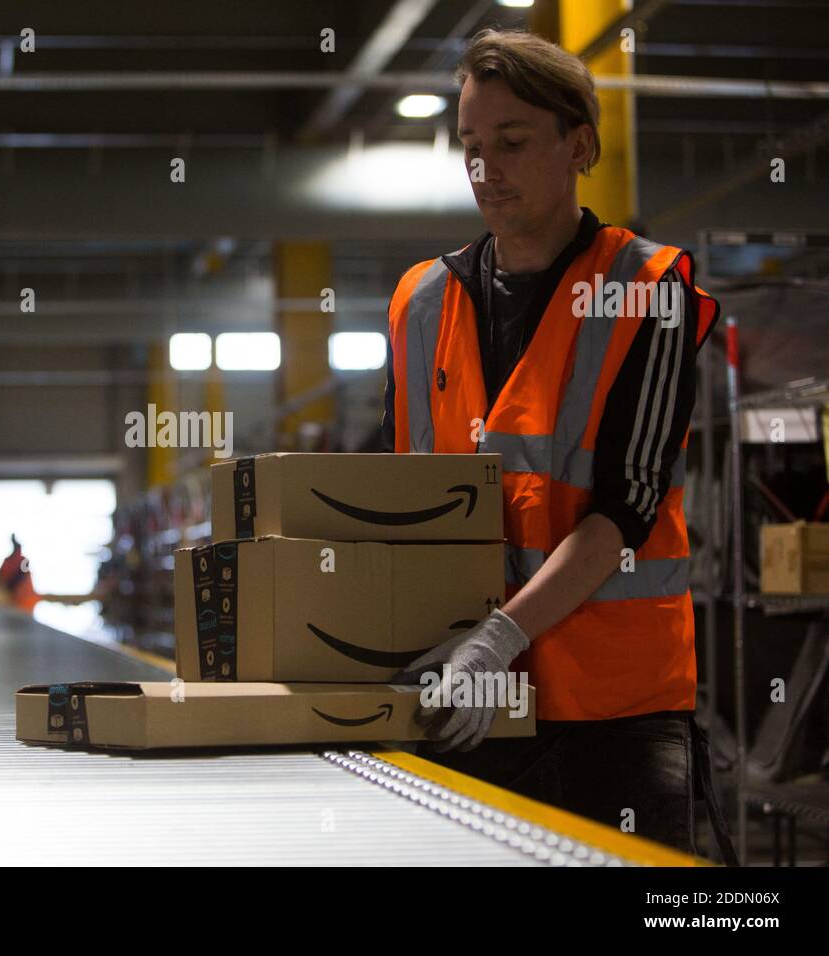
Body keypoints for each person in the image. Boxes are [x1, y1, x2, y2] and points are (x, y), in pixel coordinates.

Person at [383, 28, 732, 861]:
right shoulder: (420, 302)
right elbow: (396, 501)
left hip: (617, 715)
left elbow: (627, 506)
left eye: (510, 143)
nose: (484, 169)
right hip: (466, 703)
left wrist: (498, 637)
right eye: (470, 146)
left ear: (580, 145)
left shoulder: (648, 291)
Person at [0, 534, 39, 613]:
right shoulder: (9, 561)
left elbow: (18, 577)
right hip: (17, 601)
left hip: (25, 602)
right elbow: (1, 577)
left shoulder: (23, 561)